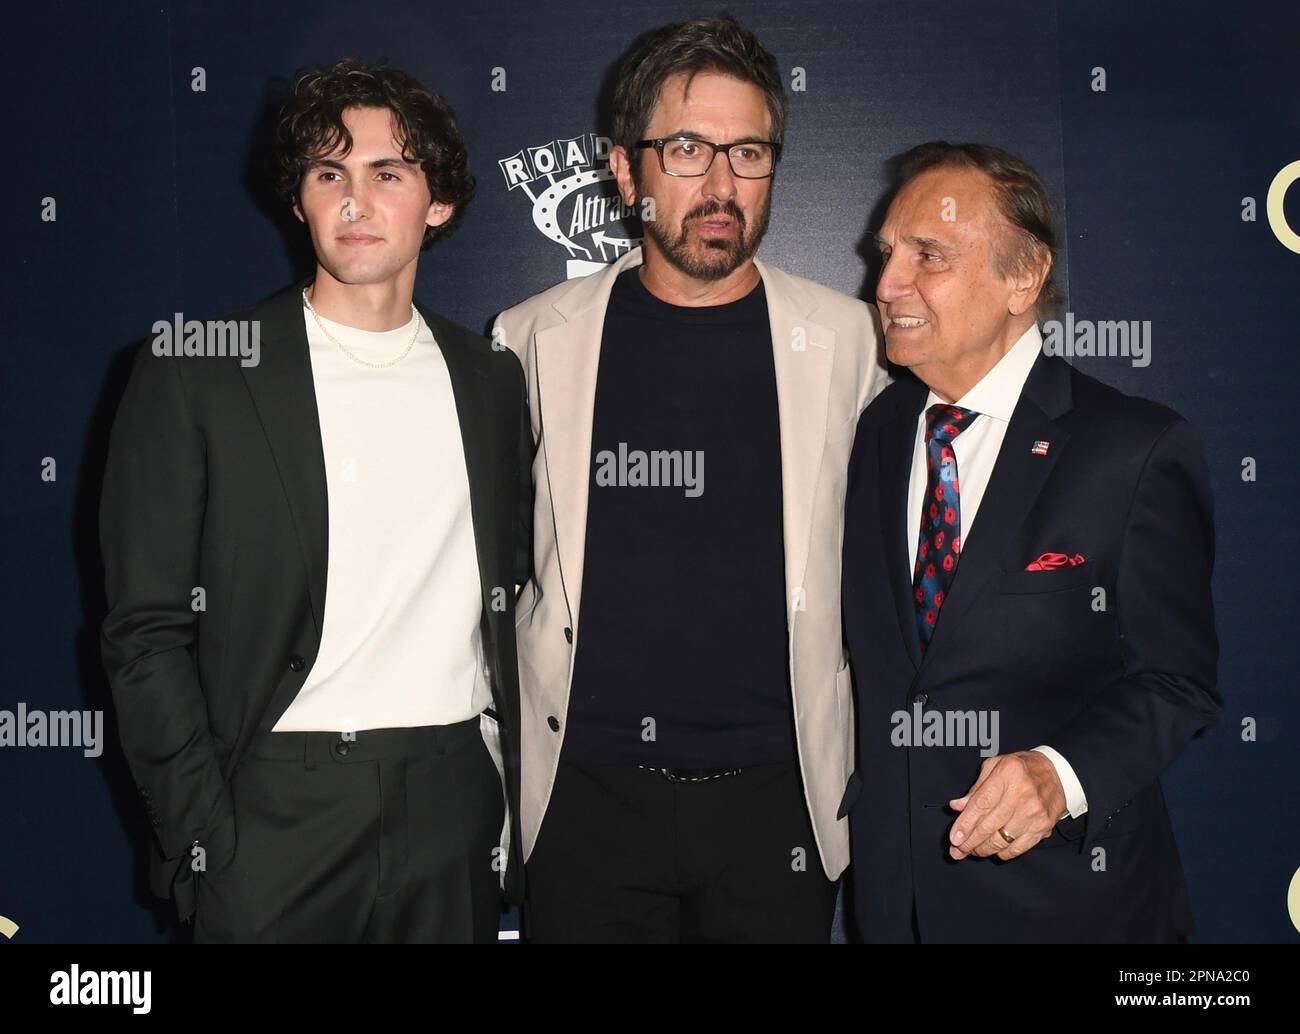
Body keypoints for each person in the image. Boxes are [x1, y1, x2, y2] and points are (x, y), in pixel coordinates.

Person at [99, 58, 530, 942]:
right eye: (328, 173)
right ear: (298, 199)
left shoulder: (490, 379)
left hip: (450, 797)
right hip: (272, 814)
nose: (355, 201)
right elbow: (143, 630)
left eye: (389, 174)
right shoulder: (198, 368)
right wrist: (206, 835)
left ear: (438, 202)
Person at [495, 13, 887, 943]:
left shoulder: (852, 342)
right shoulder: (529, 338)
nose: (721, 185)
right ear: (626, 172)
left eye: (748, 152)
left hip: (781, 804)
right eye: (686, 149)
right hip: (583, 802)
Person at [840, 141, 1221, 942]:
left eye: (928, 256)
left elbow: (1178, 681)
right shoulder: (878, 432)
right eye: (887, 257)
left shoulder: (1134, 448)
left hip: (1068, 907)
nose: (886, 286)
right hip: (894, 903)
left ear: (1024, 276)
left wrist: (1061, 774)